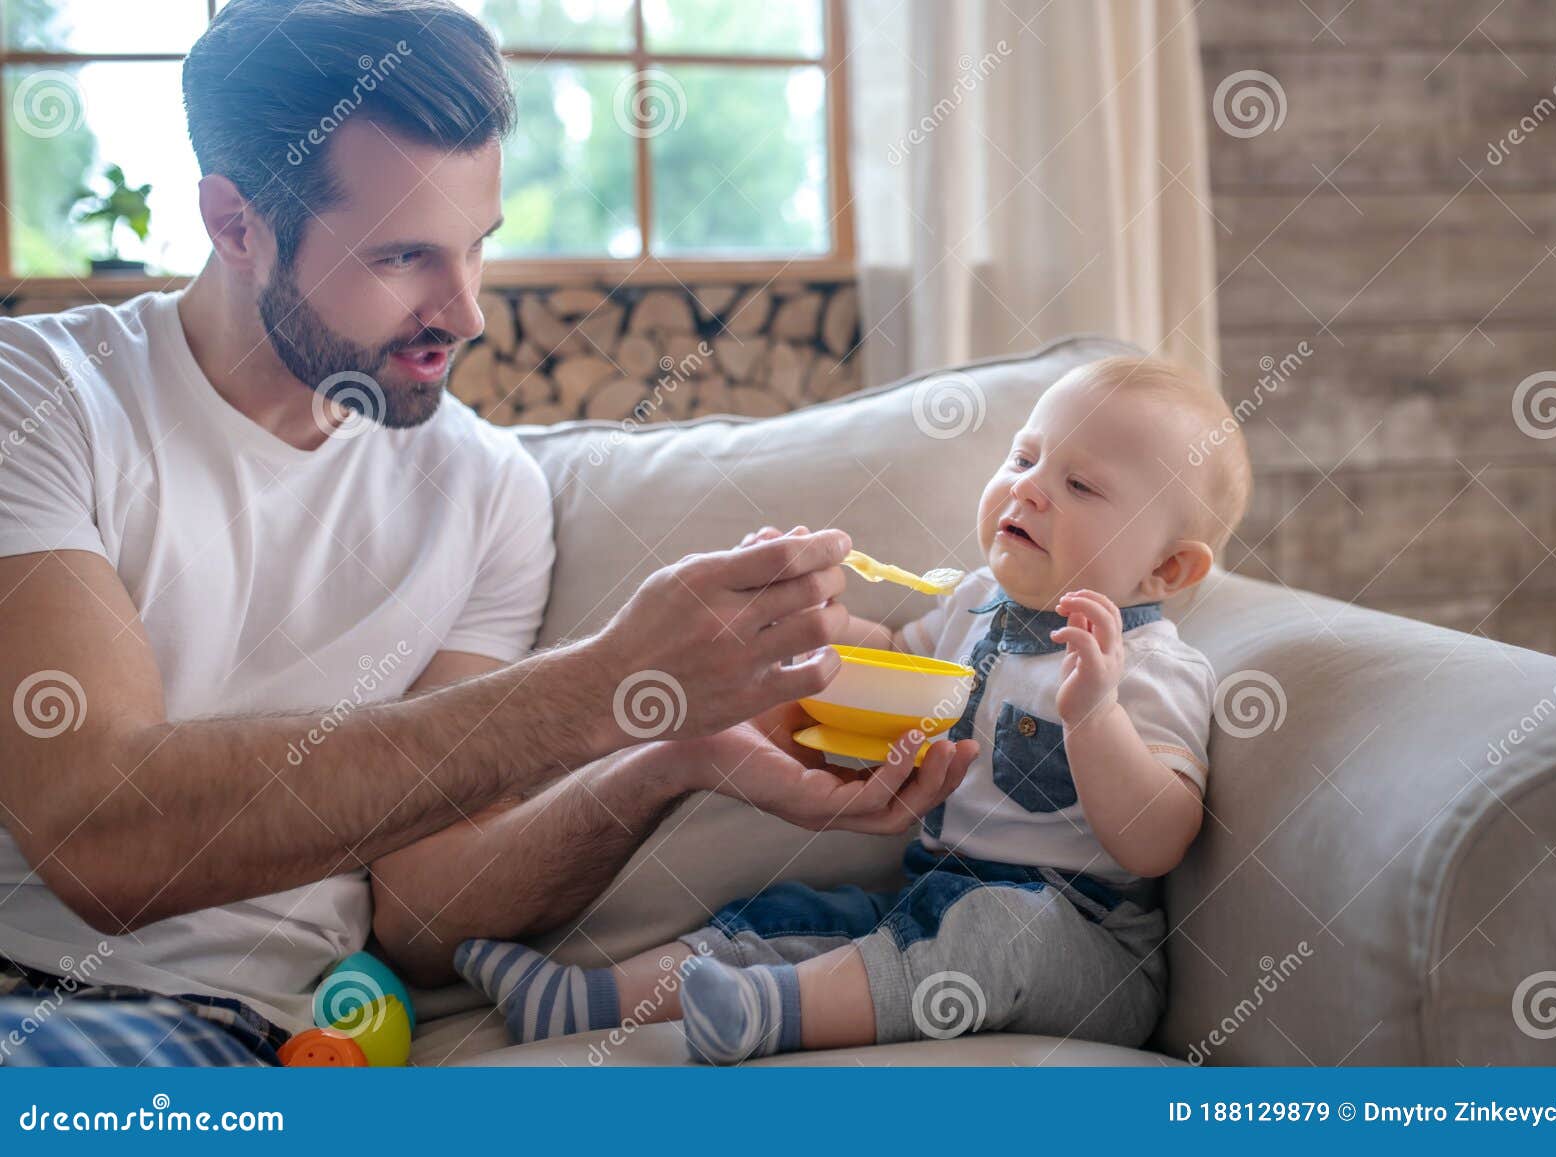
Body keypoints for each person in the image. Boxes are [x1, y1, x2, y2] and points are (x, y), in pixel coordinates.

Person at [0, 0, 974, 1067]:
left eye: (476, 248)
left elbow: (426, 916)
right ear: (237, 225)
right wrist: (599, 680)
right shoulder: (42, 397)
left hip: (216, 1033)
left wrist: (666, 746)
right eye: (402, 256)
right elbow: (100, 832)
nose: (465, 312)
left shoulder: (482, 490)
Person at [457, 356, 1252, 1062]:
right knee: (789, 916)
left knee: (987, 934)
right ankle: (586, 1001)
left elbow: (1157, 840)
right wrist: (812, 615)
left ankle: (774, 1012)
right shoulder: (974, 603)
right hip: (930, 892)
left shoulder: (1150, 669)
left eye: (1079, 484)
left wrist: (1094, 715)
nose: (1029, 488)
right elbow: (898, 660)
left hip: (1083, 944)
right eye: (1024, 456)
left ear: (1167, 567)